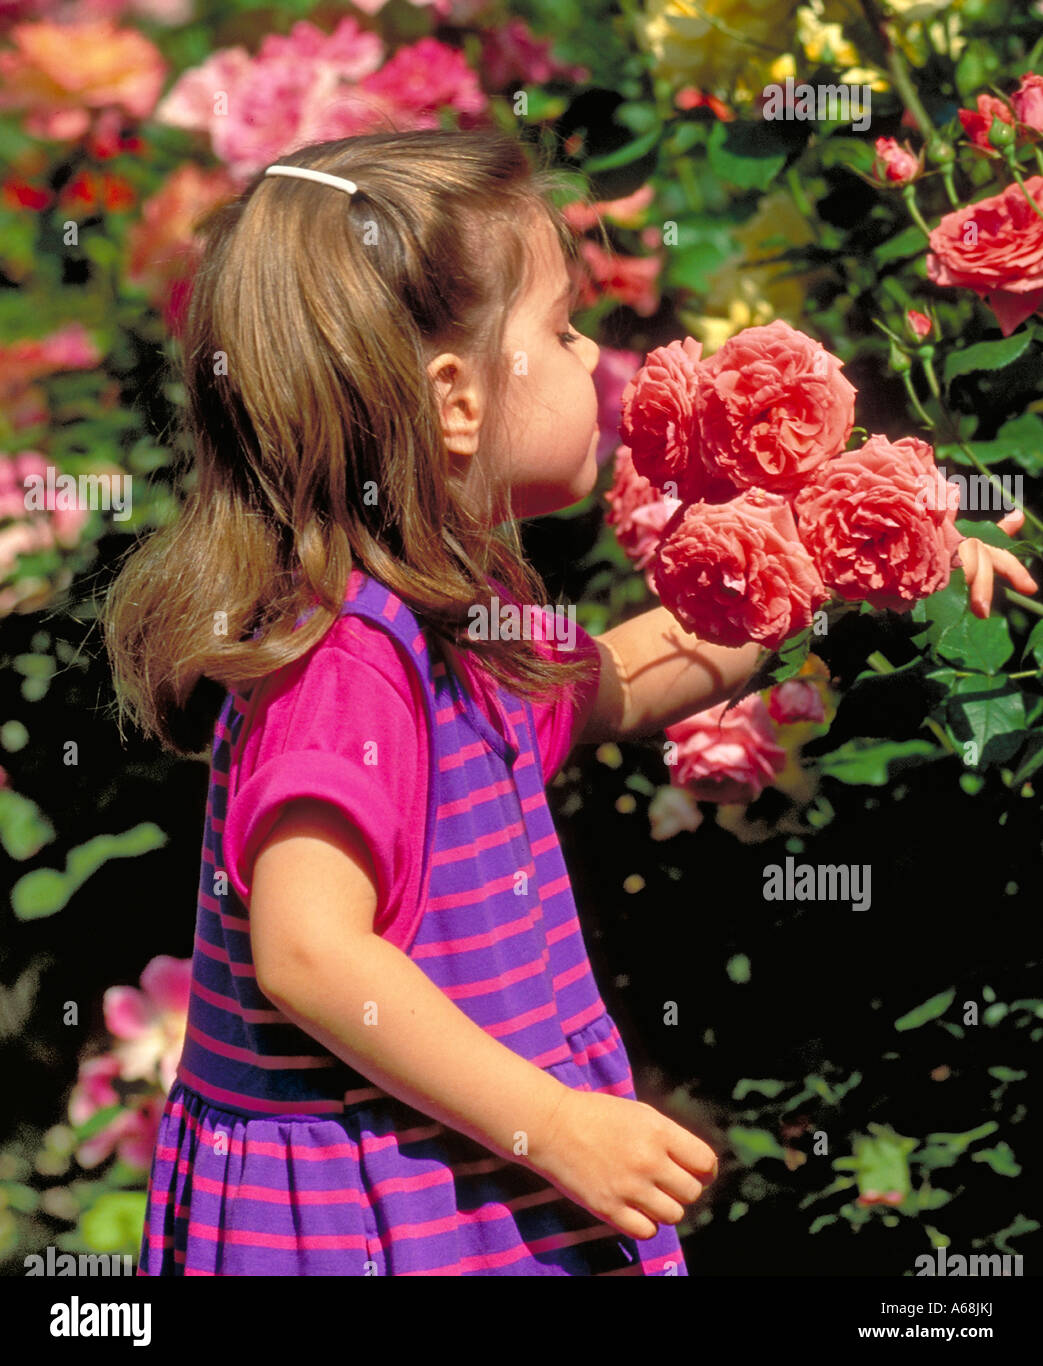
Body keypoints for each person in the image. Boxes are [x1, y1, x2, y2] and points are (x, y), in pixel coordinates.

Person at [103, 128, 1033, 1276]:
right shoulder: (344, 660)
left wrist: (844, 550)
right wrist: (557, 1122)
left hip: (449, 1166)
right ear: (453, 401)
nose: (590, 349)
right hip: (374, 1211)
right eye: (557, 327)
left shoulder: (443, 616)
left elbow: (613, 680)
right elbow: (305, 952)